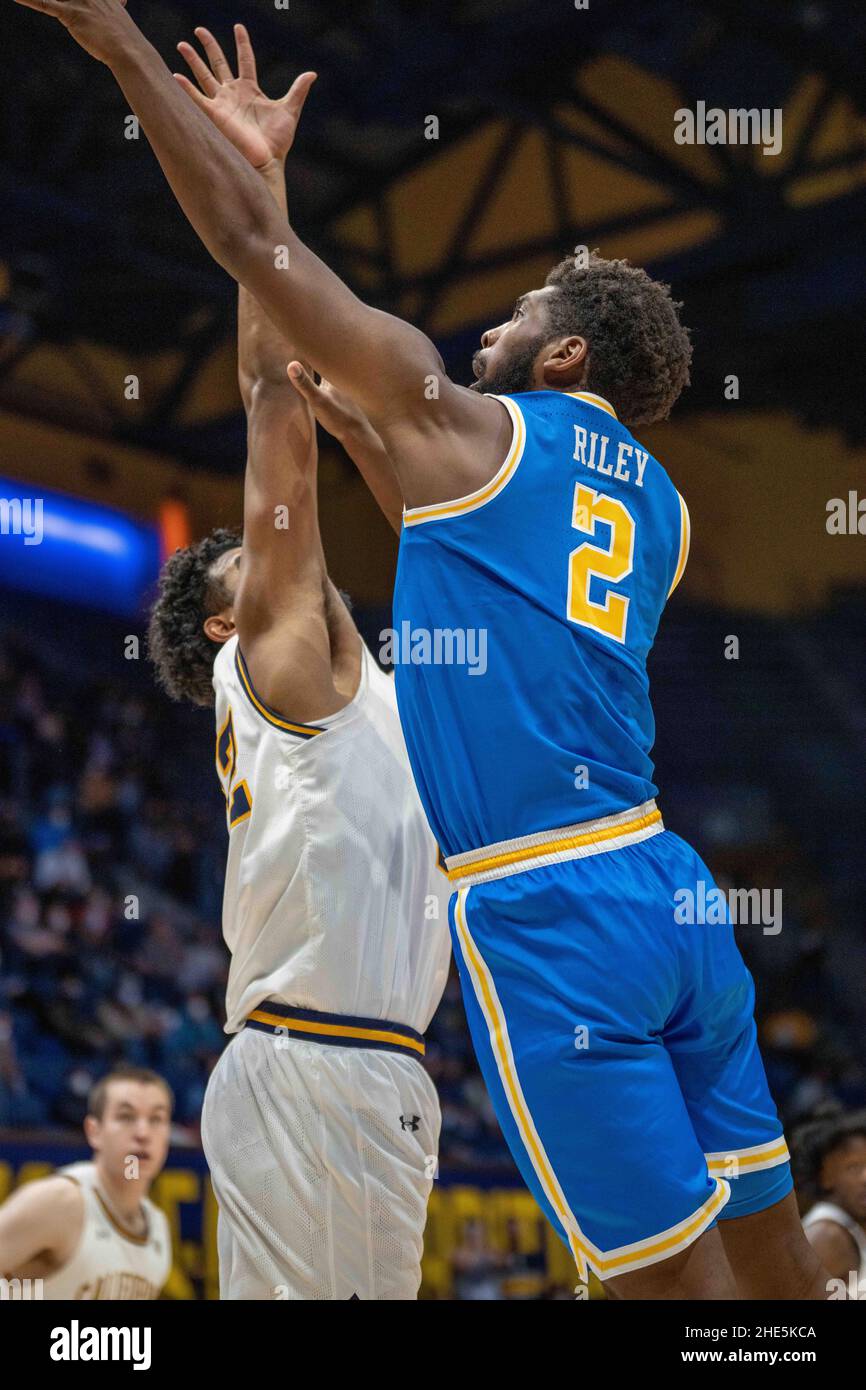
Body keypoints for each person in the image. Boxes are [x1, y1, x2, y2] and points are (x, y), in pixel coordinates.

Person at [19, 0, 833, 1299]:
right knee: (775, 1266)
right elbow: (469, 548)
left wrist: (123, 50)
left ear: (563, 352)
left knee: (667, 1295)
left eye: (516, 316)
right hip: (667, 884)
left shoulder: (462, 421)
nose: (487, 333)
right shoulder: (660, 512)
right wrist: (353, 432)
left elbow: (248, 248)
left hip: (548, 903)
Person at [145, 32, 449, 1300]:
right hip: (314, 1063)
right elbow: (275, 399)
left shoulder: (353, 679)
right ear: (227, 630)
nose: (265, 563)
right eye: (239, 573)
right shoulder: (276, 669)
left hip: (362, 1069)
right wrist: (255, 189)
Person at [0, 1064, 172, 1299]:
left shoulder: (158, 1227)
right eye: (126, 1116)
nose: (143, 1133)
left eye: (156, 1119)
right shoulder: (60, 1202)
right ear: (94, 1131)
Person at [795, 1108, 866, 1298]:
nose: (865, 1177)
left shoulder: (851, 1227)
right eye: (854, 1167)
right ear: (825, 1176)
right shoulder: (827, 1235)